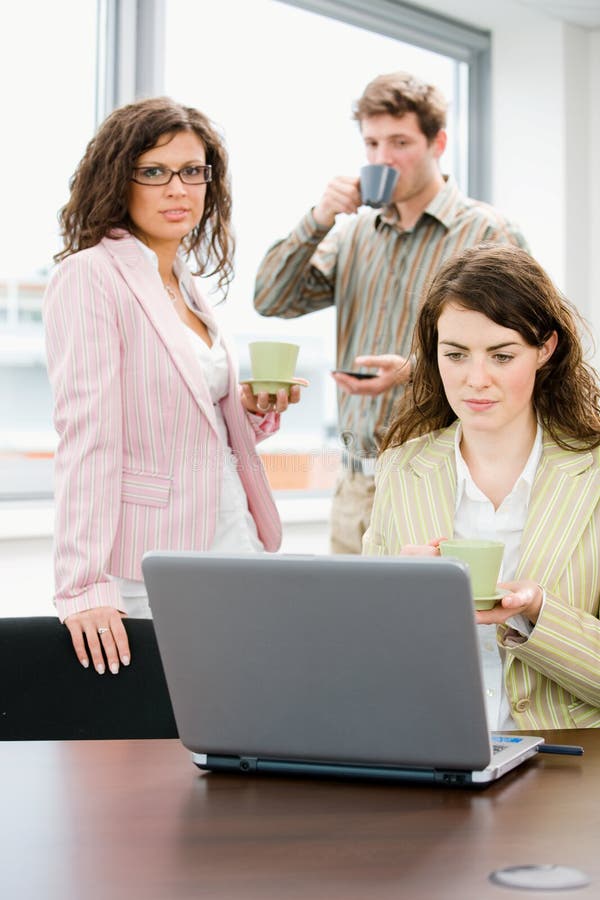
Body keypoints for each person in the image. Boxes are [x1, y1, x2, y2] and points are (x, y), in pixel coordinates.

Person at [44, 97, 302, 675]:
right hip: (150, 560)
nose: (178, 189)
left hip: (233, 537)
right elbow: (88, 438)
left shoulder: (184, 283)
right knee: (163, 745)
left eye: (193, 171)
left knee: (250, 721)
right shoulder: (90, 277)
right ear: (118, 179)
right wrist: (83, 583)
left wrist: (251, 411)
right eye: (155, 172)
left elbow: (189, 420)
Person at [253, 71, 528, 555]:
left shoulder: (485, 231)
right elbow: (272, 298)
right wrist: (317, 219)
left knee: (428, 626)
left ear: (437, 143)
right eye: (372, 143)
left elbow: (521, 352)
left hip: (442, 476)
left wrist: (414, 373)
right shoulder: (353, 235)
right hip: (357, 477)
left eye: (399, 142)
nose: (383, 158)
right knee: (346, 627)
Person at [363, 243, 600, 730]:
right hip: (432, 755)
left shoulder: (592, 474)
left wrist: (537, 614)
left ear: (545, 349)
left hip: (566, 770)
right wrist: (394, 601)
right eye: (455, 354)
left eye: (501, 355)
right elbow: (364, 666)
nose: (476, 380)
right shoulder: (400, 469)